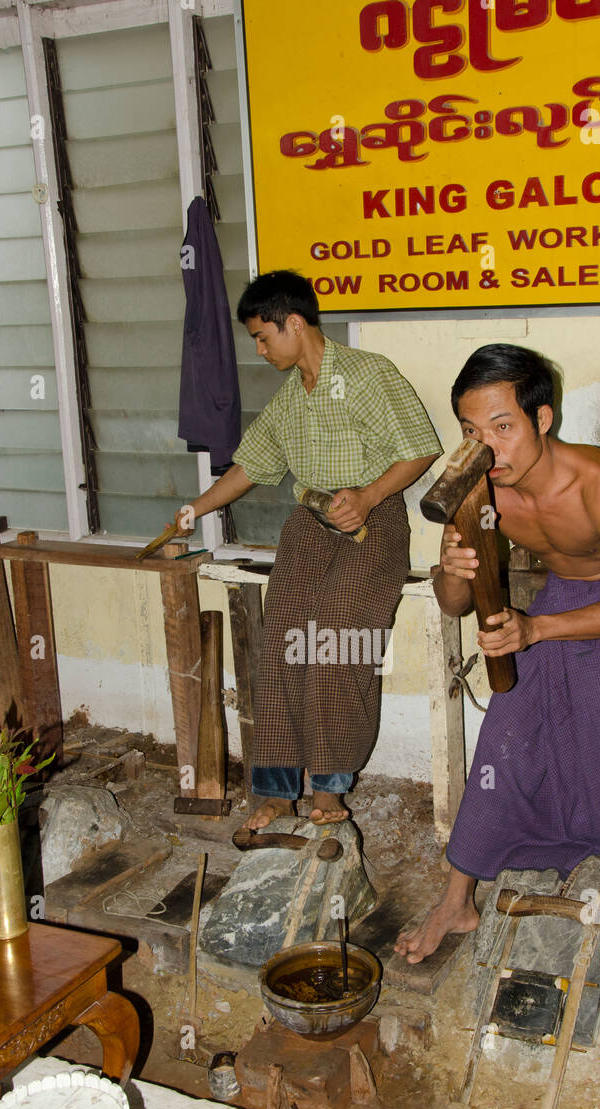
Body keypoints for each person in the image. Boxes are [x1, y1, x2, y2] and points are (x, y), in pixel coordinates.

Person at [394, 343, 600, 1029]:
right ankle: (456, 898)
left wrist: (535, 631)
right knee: (506, 733)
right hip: (567, 592)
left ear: (543, 417)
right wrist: (450, 565)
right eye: (472, 430)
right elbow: (452, 603)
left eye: (502, 426)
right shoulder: (475, 487)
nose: (487, 446)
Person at [175, 270, 440, 829]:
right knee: (283, 641)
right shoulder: (291, 398)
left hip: (375, 523)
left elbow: (420, 450)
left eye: (263, 336)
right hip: (310, 526)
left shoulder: (368, 375)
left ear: (294, 323)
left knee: (339, 639)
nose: (259, 347)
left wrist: (367, 497)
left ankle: (328, 788)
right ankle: (274, 788)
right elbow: (252, 465)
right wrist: (196, 508)